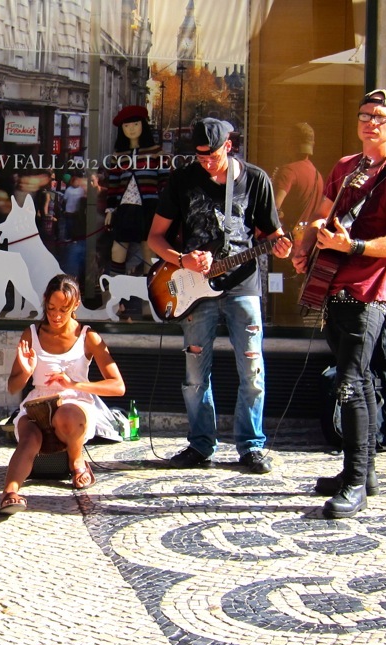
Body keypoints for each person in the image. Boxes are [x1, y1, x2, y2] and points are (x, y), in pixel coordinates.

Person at [292, 90, 386, 519]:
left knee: (348, 382)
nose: (370, 123)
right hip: (332, 289)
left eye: (380, 117)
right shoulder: (345, 167)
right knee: (359, 382)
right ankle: (366, 474)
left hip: (367, 295)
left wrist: (355, 245)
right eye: (365, 115)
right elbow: (323, 214)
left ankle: (354, 482)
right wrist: (303, 247)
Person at [147, 118, 292, 475]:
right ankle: (200, 444)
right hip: (196, 291)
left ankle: (252, 446)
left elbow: (274, 235)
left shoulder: (256, 180)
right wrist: (182, 259)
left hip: (243, 286)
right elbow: (155, 237)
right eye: (199, 157)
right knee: (196, 373)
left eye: (211, 155)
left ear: (229, 145)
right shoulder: (182, 179)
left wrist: (284, 247)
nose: (206, 163)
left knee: (253, 369)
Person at [0, 274, 125, 515]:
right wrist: (25, 373)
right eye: (51, 308)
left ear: (76, 305)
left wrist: (74, 384)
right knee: (29, 437)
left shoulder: (88, 336)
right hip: (38, 402)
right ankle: (10, 492)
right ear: (44, 301)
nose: (56, 315)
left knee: (65, 414)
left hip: (75, 401)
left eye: (64, 310)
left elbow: (117, 386)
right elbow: (13, 387)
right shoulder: (32, 333)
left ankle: (77, 462)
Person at [104, 105, 168, 279]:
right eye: (126, 126)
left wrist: (165, 211)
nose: (131, 129)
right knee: (117, 250)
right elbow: (114, 184)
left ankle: (149, 301)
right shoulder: (118, 155)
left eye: (135, 124)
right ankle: (115, 299)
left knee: (149, 251)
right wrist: (110, 209)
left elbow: (165, 183)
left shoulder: (157, 153)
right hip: (125, 209)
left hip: (149, 208)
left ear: (143, 125)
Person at [273, 123, 324, 237]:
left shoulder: (288, 171)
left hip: (286, 245)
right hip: (307, 243)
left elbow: (273, 211)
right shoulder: (318, 175)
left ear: (289, 143)